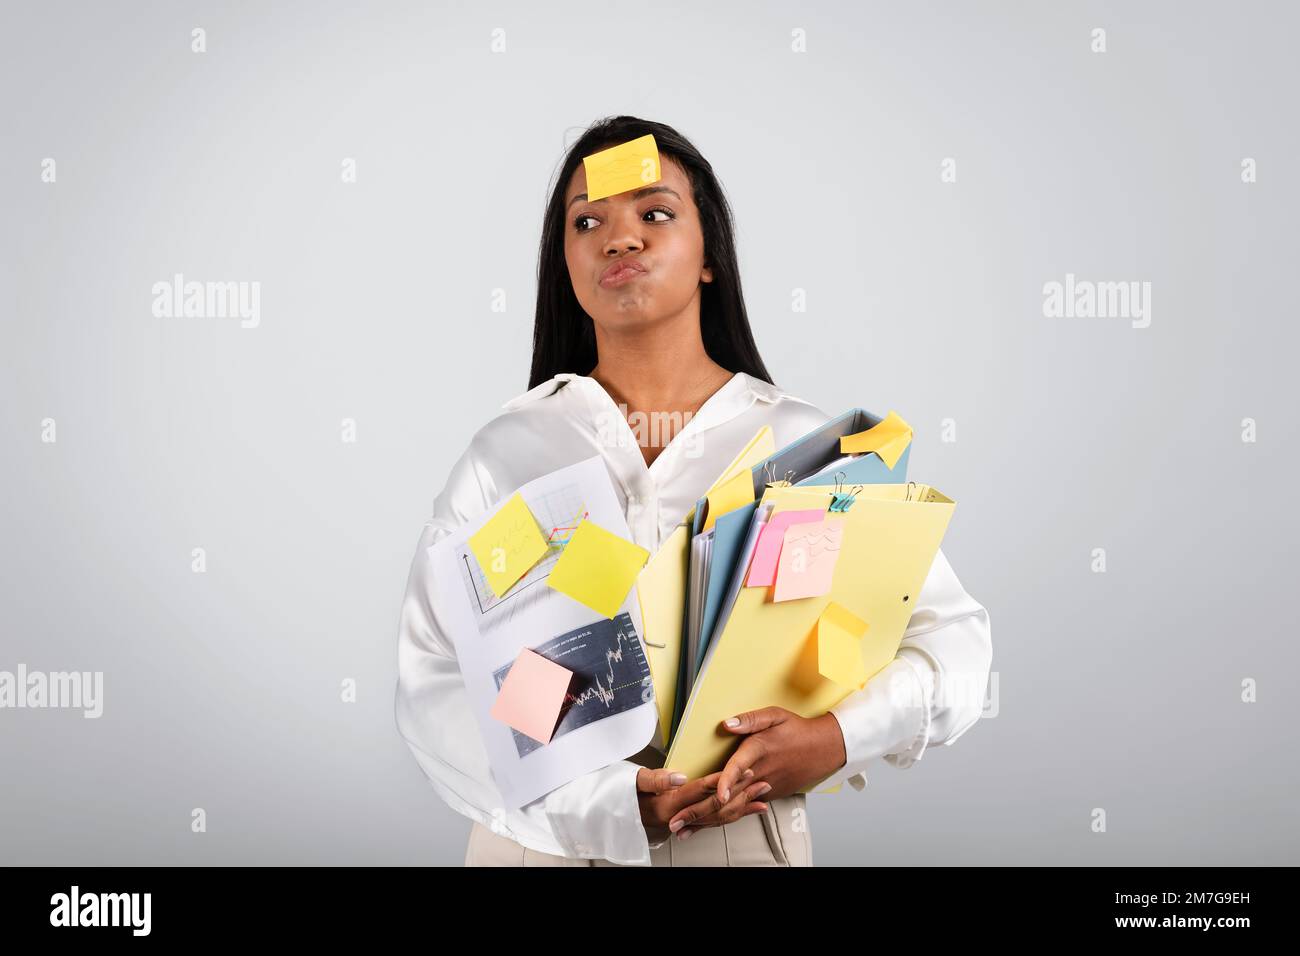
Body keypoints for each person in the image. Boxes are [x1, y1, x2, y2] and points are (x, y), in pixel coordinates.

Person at [394, 116, 992, 867]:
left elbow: (956, 643)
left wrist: (835, 739)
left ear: (710, 255)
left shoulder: (807, 452)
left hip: (737, 838)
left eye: (655, 213)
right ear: (567, 267)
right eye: (588, 222)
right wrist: (602, 806)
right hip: (537, 843)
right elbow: (432, 680)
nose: (620, 239)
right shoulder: (505, 454)